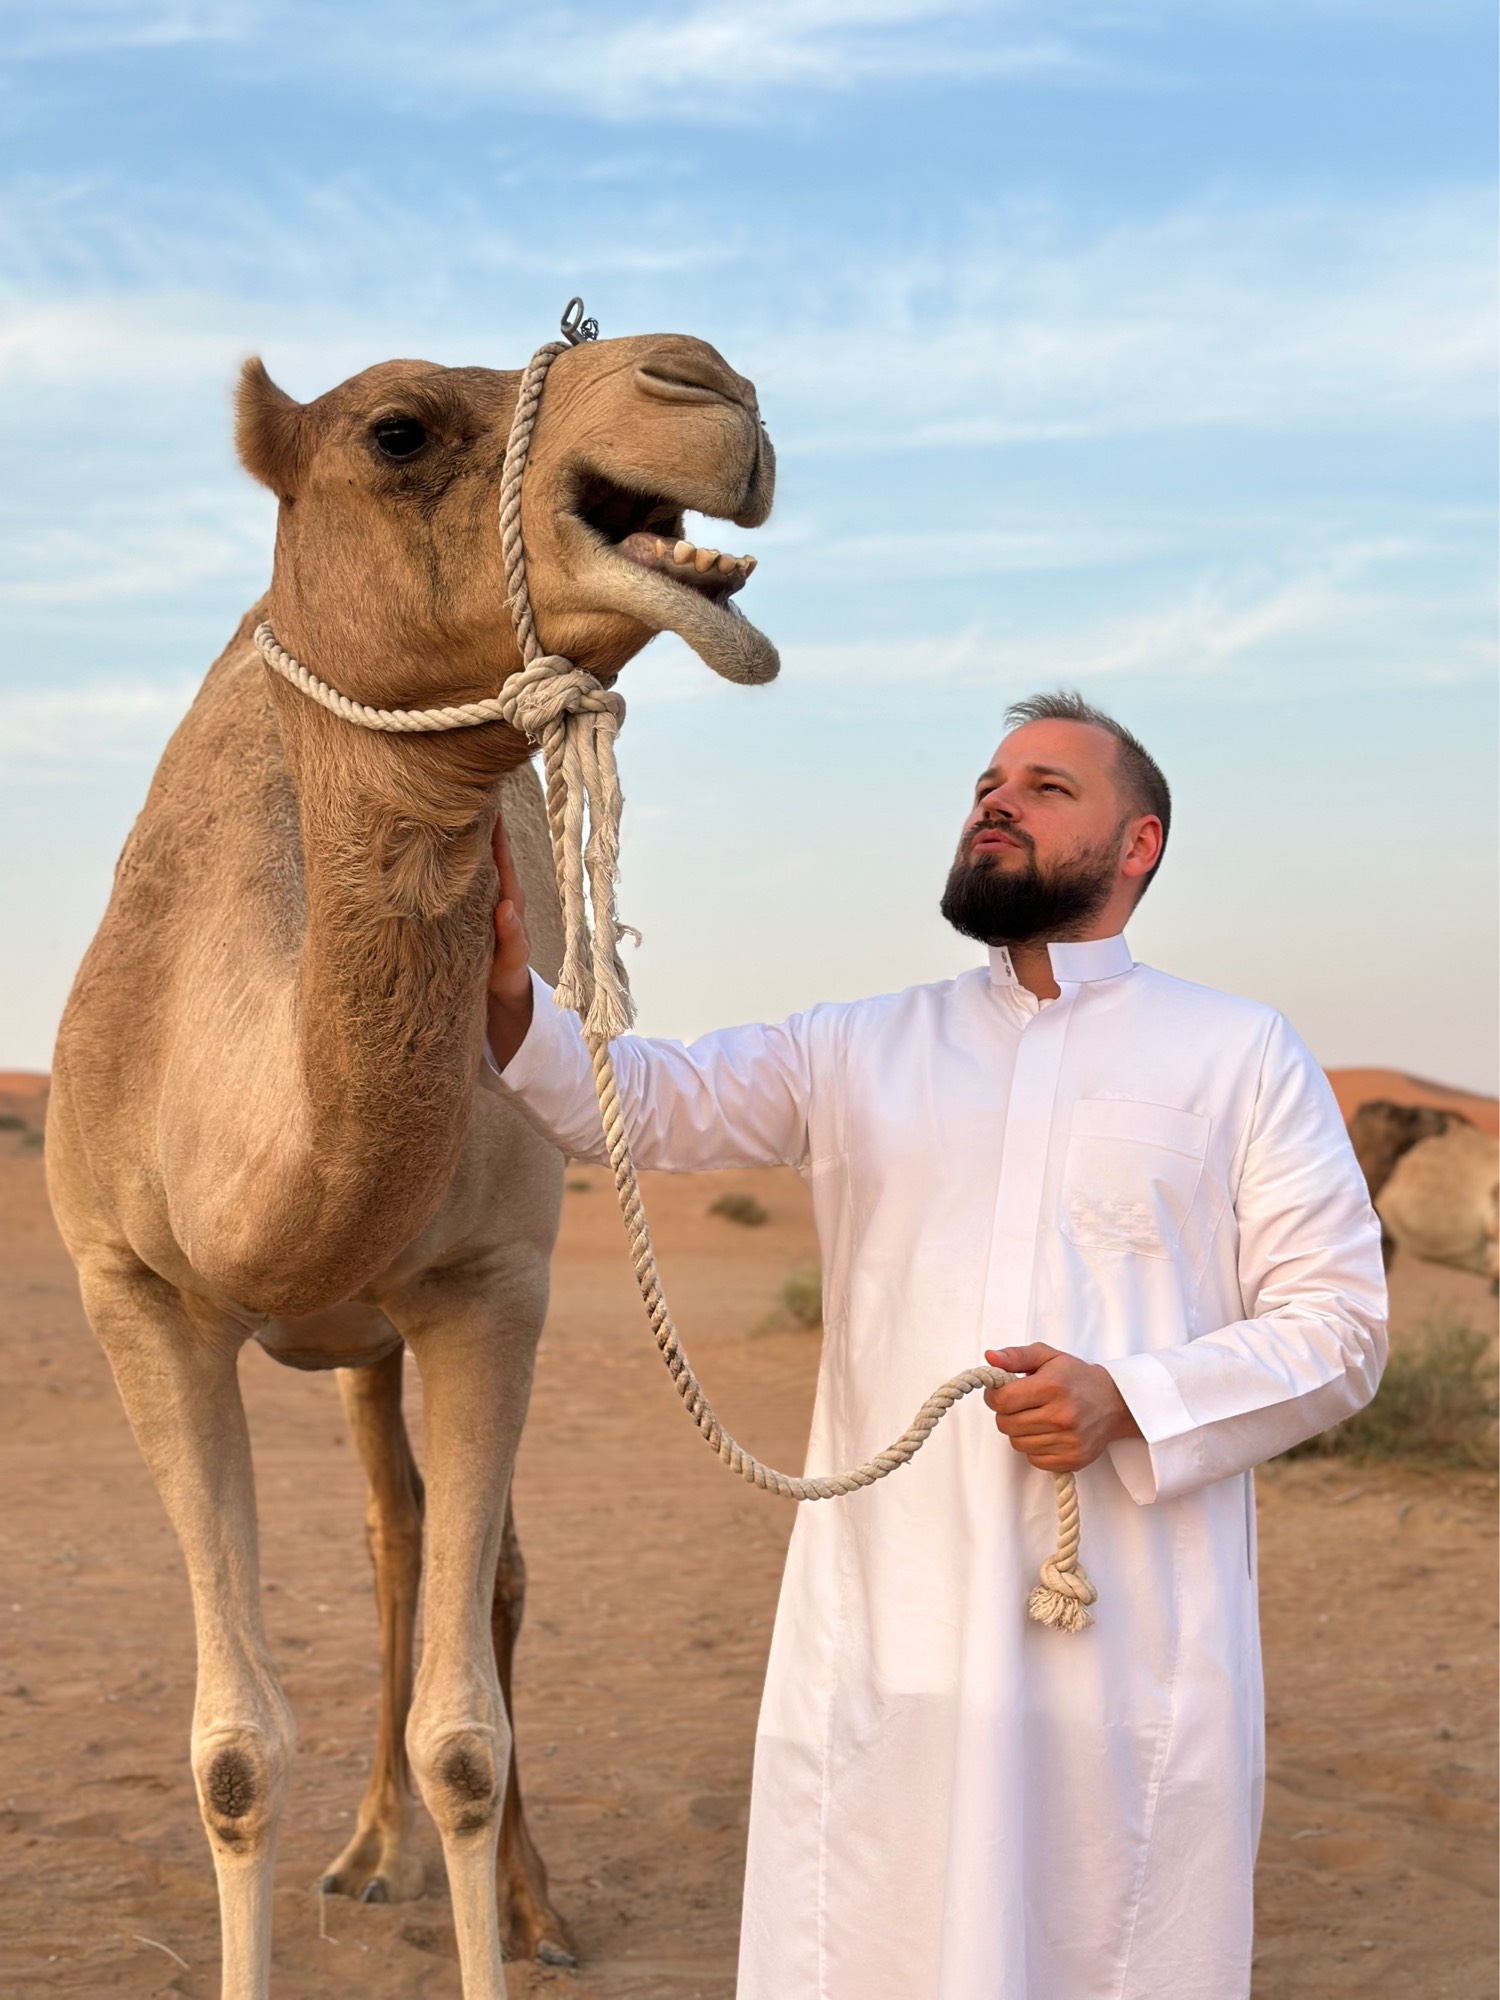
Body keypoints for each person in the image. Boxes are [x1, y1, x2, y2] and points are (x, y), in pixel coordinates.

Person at [484, 690, 1387, 2000]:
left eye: (1046, 786)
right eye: (987, 781)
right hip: (889, 1623)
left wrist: (1132, 1398)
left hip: (1122, 1632)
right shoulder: (858, 1044)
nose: (996, 800)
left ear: (1139, 847)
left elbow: (1343, 1325)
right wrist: (513, 995)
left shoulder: (1238, 1054)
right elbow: (647, 1101)